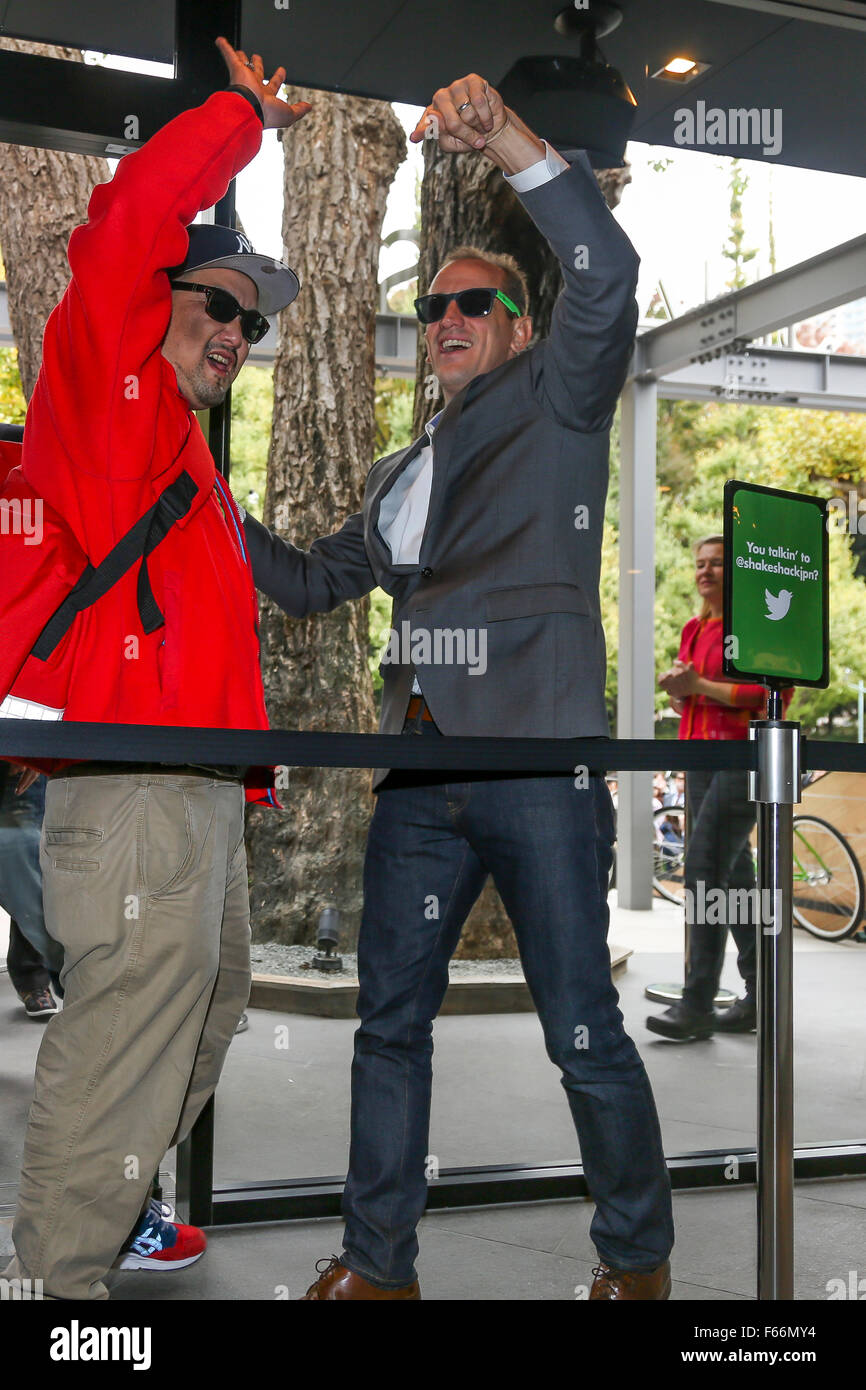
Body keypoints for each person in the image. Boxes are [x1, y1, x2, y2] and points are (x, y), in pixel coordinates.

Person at [244, 72, 673, 1301]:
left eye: (473, 302)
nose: (445, 314)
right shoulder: (393, 474)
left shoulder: (559, 401)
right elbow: (317, 581)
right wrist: (200, 506)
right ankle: (380, 1270)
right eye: (432, 303)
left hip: (537, 765)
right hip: (420, 778)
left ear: (519, 328)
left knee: (580, 1031)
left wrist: (517, 144)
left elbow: (604, 270)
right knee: (387, 1029)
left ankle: (635, 1262)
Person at [1, 37, 309, 1300]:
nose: (238, 329)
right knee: (127, 1033)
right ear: (158, 301)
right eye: (218, 302)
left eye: (252, 316)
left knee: (208, 1007)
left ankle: (112, 1209)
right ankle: (54, 1298)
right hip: (131, 799)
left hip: (194, 799)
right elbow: (122, 226)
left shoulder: (184, 458)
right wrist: (235, 117)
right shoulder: (105, 387)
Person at [649, 534, 791, 1042]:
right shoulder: (693, 627)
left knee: (705, 872)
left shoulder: (755, 623)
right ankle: (760, 998)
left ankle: (697, 1004)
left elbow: (770, 692)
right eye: (699, 564)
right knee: (734, 883)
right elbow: (694, 700)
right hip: (702, 761)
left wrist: (699, 688)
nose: (705, 572)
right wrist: (678, 689)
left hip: (741, 759)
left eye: (716, 564)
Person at [0, 762, 63, 1017]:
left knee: (28, 862)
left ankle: (38, 977)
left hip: (16, 744)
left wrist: (30, 750)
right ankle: (67, 974)